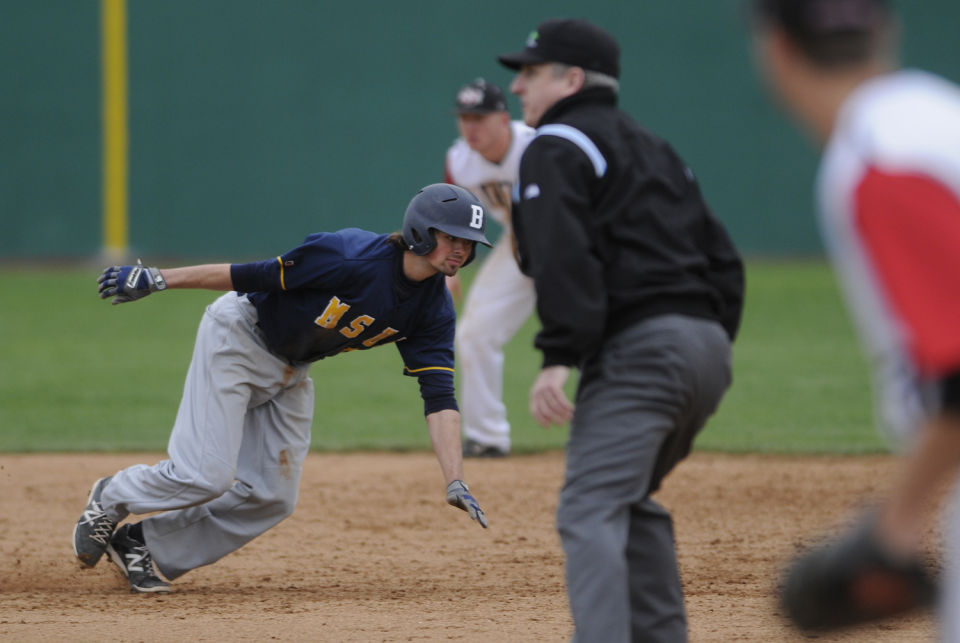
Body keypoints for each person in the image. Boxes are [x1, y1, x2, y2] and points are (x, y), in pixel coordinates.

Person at [72, 183, 491, 593]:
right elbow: (248, 274)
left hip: (292, 369)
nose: (461, 249)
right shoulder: (348, 255)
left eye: (469, 242)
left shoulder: (434, 310)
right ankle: (111, 496)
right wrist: (158, 278)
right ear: (420, 231)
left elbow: (440, 397)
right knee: (204, 475)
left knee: (272, 497)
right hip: (239, 337)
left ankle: (142, 546)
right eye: (452, 237)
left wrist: (455, 480)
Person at [497, 18, 745, 642]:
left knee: (589, 508)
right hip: (706, 350)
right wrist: (705, 341)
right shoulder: (655, 148)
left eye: (531, 72)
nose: (518, 87)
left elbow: (563, 256)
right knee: (628, 501)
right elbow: (724, 261)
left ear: (572, 80)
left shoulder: (556, 145)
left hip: (642, 353)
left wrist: (559, 354)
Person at [750, 0, 960, 635]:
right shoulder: (939, 116)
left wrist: (894, 526)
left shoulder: (881, 155)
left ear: (776, 51)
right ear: (886, 32)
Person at [443, 78, 537, 458]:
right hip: (519, 243)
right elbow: (452, 218)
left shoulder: (538, 143)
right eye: (465, 118)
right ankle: (487, 438)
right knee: (474, 334)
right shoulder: (459, 161)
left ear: (502, 118)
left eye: (479, 118)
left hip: (576, 244)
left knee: (603, 333)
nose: (471, 127)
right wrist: (447, 269)